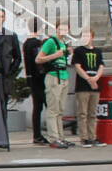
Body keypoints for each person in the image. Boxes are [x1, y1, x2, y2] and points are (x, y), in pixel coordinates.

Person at [37, 21, 72, 149]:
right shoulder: (51, 42)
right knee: (53, 108)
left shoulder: (64, 43)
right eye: (61, 28)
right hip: (53, 76)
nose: (63, 30)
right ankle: (54, 138)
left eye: (66, 28)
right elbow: (38, 59)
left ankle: (61, 137)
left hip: (63, 76)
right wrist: (55, 55)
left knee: (60, 109)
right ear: (56, 29)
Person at [71, 26, 106, 147]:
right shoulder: (79, 51)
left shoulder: (98, 51)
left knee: (92, 113)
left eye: (88, 36)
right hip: (82, 86)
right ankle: (84, 138)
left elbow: (101, 66)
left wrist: (96, 78)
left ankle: (93, 136)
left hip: (95, 85)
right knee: (82, 113)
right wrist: (88, 79)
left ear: (92, 37)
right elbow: (77, 66)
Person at [0, 7, 22, 110]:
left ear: (4, 18)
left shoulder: (11, 36)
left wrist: (10, 72)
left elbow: (17, 57)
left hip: (4, 76)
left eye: (1, 16)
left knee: (3, 106)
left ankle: (2, 126)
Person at [22, 17, 48, 145]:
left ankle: (37, 134)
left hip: (32, 77)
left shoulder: (27, 43)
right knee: (41, 106)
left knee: (38, 107)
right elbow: (38, 61)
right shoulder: (35, 44)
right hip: (38, 78)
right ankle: (38, 135)